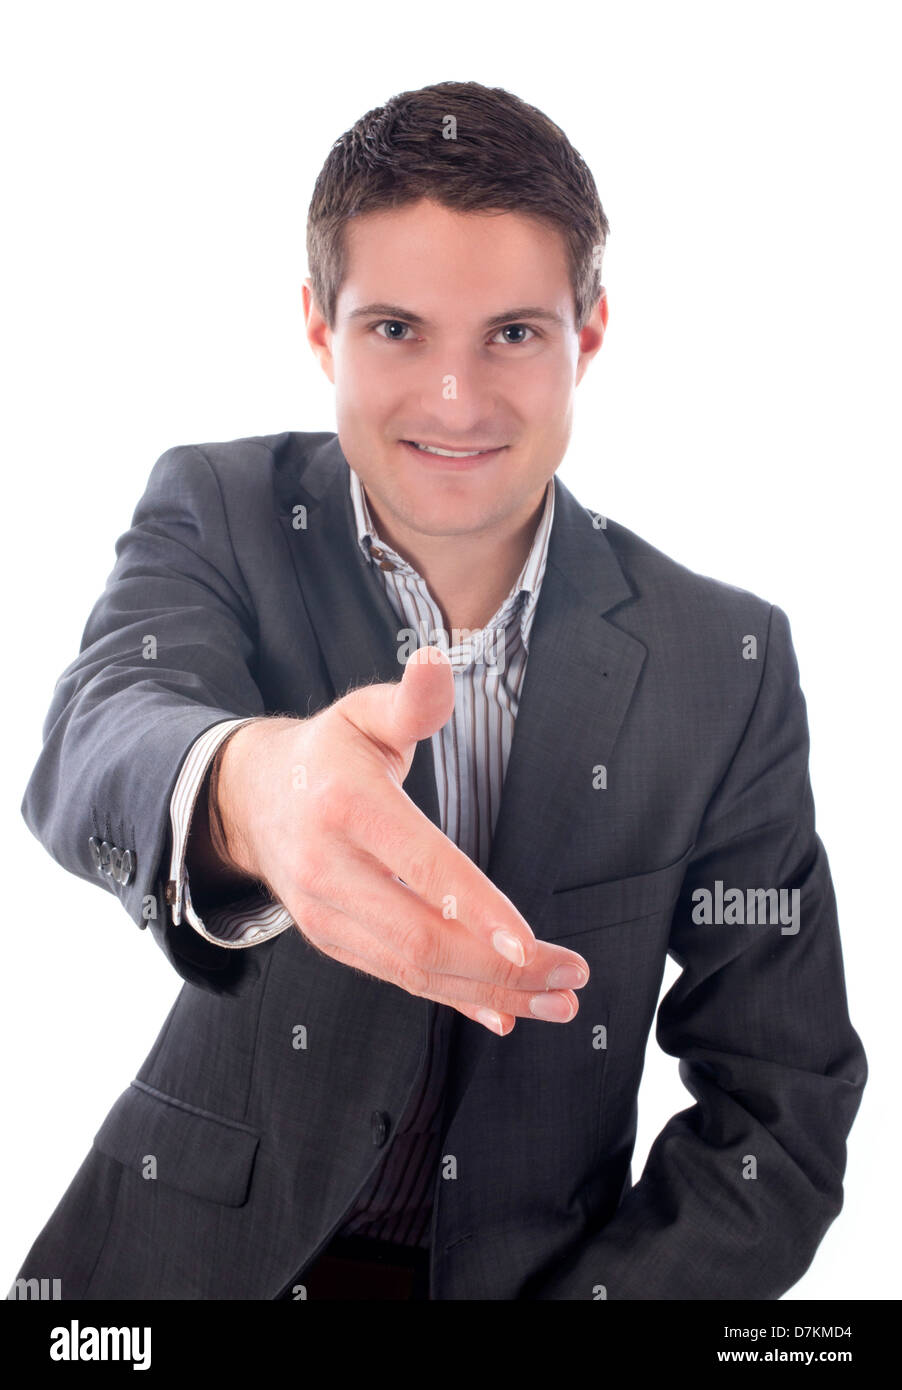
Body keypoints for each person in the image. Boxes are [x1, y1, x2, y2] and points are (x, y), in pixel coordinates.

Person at [10, 80, 866, 1301]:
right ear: (319, 330)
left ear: (591, 333)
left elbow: (780, 1109)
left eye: (512, 333)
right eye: (397, 330)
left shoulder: (719, 661)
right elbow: (98, 734)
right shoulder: (220, 508)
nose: (454, 401)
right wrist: (258, 792)